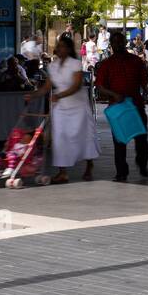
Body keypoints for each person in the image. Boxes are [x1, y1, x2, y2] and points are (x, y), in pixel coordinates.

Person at [31, 34, 98, 183]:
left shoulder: (75, 64)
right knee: (60, 137)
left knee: (83, 136)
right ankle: (63, 172)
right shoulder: (52, 66)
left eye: (61, 46)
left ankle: (89, 164)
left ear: (67, 49)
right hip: (60, 108)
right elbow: (47, 87)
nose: (58, 49)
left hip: (77, 106)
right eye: (58, 46)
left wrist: (60, 95)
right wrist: (33, 95)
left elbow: (76, 86)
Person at [94, 30, 148, 182]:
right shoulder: (106, 64)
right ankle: (121, 172)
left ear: (125, 42)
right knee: (119, 141)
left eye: (120, 41)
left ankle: (142, 163)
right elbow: (99, 86)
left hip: (136, 104)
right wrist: (113, 94)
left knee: (142, 138)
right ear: (111, 44)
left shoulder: (136, 61)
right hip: (117, 106)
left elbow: (145, 81)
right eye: (115, 42)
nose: (118, 44)